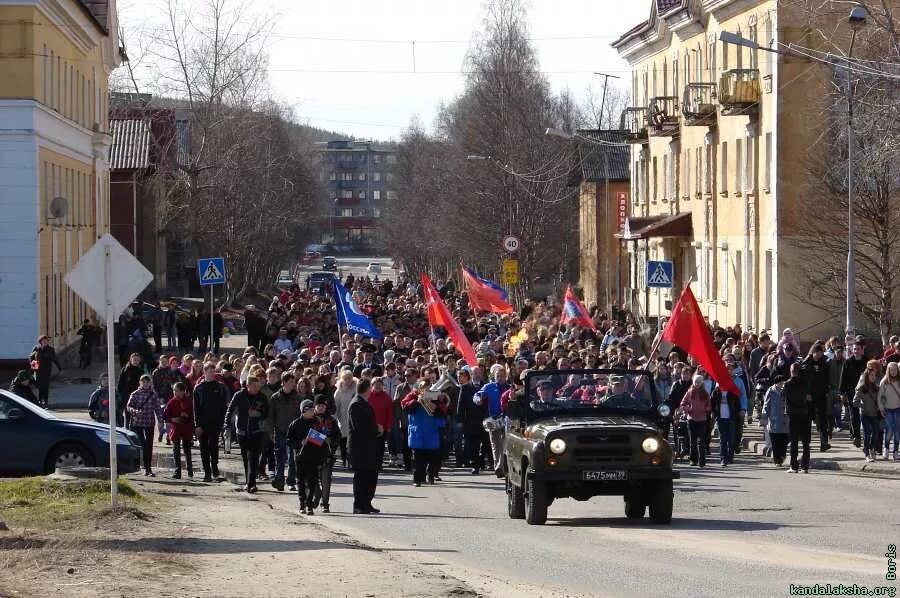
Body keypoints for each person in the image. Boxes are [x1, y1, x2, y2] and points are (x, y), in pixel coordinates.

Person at [225, 375, 270, 493]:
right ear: (248, 386)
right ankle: (248, 481)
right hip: (242, 431)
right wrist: (227, 425)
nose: (257, 388)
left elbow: (266, 413)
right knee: (245, 457)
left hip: (256, 430)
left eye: (258, 386)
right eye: (254, 386)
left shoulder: (262, 397)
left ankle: (251, 483)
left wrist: (258, 414)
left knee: (253, 457)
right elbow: (230, 410)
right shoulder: (239, 395)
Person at [402, 381, 448, 487]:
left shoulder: (434, 396)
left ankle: (430, 476)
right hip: (417, 432)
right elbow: (405, 407)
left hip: (431, 432)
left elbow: (443, 413)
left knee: (432, 457)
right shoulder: (412, 395)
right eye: (423, 387)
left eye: (427, 388)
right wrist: (416, 402)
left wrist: (436, 407)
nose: (425, 390)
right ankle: (417, 479)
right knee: (418, 458)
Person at [193, 361, 231, 482]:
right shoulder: (198, 388)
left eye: (213, 371)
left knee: (214, 448)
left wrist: (224, 422)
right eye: (209, 371)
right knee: (204, 448)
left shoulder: (220, 387)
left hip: (216, 423)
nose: (211, 373)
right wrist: (197, 425)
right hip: (203, 423)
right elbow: (196, 408)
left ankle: (215, 471)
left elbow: (224, 406)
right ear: (204, 372)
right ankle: (207, 473)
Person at [287, 399, 325, 514]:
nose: (312, 412)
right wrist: (300, 443)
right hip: (300, 457)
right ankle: (302, 503)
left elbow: (323, 438)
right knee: (301, 481)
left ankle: (309, 504)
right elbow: (289, 441)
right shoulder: (295, 424)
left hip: (314, 456)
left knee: (313, 481)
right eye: (310, 410)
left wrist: (316, 438)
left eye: (313, 409)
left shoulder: (317, 422)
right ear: (303, 411)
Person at [348, 379, 380, 514]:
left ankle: (367, 503)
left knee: (371, 475)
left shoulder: (364, 403)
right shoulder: (356, 404)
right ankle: (359, 505)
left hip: (369, 447)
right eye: (370, 388)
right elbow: (359, 427)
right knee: (361, 477)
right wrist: (376, 429)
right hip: (360, 448)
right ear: (366, 389)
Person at [127, 375, 163, 477]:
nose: (146, 384)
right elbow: (129, 406)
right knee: (142, 444)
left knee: (149, 446)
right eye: (144, 382)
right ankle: (142, 466)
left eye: (147, 382)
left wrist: (160, 420)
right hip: (138, 423)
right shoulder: (135, 394)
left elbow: (158, 408)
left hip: (149, 423)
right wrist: (135, 411)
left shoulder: (153, 394)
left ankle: (148, 468)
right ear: (140, 382)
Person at [270, 372, 300, 491]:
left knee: (292, 458)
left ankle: (291, 481)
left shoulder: (298, 398)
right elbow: (271, 417)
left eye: (294, 382)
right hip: (280, 431)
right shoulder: (275, 398)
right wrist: (271, 432)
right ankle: (279, 480)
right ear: (284, 382)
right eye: (291, 382)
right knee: (280, 457)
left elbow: (299, 416)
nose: (293, 384)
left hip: (293, 433)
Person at [456, 368, 489, 474]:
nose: (477, 375)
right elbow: (461, 405)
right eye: (475, 373)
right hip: (470, 421)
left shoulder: (486, 386)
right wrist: (460, 420)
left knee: (485, 443)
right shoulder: (465, 387)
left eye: (479, 373)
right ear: (471, 374)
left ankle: (482, 462)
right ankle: (475, 464)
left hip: (484, 419)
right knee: (473, 444)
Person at [312, 395, 341, 513]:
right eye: (318, 405)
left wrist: (331, 445)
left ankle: (325, 503)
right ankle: (316, 495)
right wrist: (321, 439)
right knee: (312, 479)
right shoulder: (310, 418)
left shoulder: (331, 420)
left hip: (327, 455)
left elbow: (337, 436)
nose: (320, 408)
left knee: (326, 481)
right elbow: (307, 435)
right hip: (312, 455)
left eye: (323, 405)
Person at [802, 343, 832, 452]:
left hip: (821, 395)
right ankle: (807, 442)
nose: (819, 355)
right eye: (818, 353)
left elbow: (826, 378)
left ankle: (824, 442)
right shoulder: (806, 364)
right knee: (807, 420)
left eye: (821, 353)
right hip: (809, 396)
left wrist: (827, 390)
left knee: (822, 420)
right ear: (813, 352)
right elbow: (803, 381)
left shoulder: (824, 362)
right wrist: (806, 393)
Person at [783, 363, 812, 473]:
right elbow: (809, 398)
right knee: (805, 442)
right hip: (804, 413)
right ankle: (805, 466)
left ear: (791, 371)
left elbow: (785, 399)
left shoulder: (788, 384)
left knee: (794, 442)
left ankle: (794, 466)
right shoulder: (805, 383)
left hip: (793, 414)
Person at [163, 382, 195, 479]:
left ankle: (190, 471)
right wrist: (172, 419)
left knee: (187, 450)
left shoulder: (189, 401)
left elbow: (194, 415)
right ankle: (178, 471)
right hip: (176, 429)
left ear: (182, 391)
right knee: (176, 450)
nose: (174, 392)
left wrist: (188, 416)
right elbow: (166, 415)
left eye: (176, 390)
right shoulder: (172, 402)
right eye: (174, 390)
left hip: (187, 428)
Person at [679, 374, 710, 467]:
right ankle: (693, 460)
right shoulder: (689, 392)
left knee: (701, 441)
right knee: (692, 440)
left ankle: (702, 460)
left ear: (702, 383)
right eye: (696, 382)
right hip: (691, 419)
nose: (697, 384)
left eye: (699, 382)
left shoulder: (705, 393)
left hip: (702, 419)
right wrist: (688, 409)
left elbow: (709, 405)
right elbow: (682, 404)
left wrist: (706, 409)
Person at [760, 376, 790, 467]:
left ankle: (783, 455)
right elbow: (766, 405)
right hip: (774, 421)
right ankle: (777, 460)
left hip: (784, 421)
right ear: (776, 383)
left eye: (783, 383)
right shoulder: (771, 391)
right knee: (775, 443)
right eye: (780, 383)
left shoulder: (786, 390)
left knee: (784, 441)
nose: (782, 385)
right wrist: (764, 418)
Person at [855, 366, 881, 462]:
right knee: (867, 434)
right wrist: (862, 405)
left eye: (874, 375)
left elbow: (881, 399)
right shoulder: (861, 388)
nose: (874, 377)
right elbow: (855, 402)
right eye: (871, 375)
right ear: (867, 376)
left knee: (876, 432)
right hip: (865, 414)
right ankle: (867, 453)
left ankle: (871, 448)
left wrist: (881, 404)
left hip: (874, 414)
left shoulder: (877, 388)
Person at [368, 377, 394, 470]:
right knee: (370, 446)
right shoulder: (368, 396)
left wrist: (389, 426)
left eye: (380, 384)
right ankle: (370, 463)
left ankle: (379, 464)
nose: (378, 386)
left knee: (380, 446)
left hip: (382, 427)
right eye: (376, 384)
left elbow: (390, 413)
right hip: (370, 426)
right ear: (372, 385)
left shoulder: (387, 397)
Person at [29, 335, 62, 408]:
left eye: (46, 341)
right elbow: (31, 357)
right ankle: (40, 401)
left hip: (46, 370)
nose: (45, 342)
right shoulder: (36, 348)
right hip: (38, 371)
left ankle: (46, 402)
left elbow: (55, 359)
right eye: (44, 341)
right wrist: (33, 366)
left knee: (45, 387)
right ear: (40, 341)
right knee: (39, 386)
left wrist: (59, 367)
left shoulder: (50, 349)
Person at [333, 369, 357, 468]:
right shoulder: (338, 391)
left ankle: (352, 461)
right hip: (342, 420)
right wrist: (337, 419)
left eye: (349, 378)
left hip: (354, 420)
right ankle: (344, 459)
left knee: (353, 442)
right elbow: (336, 407)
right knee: (343, 441)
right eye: (345, 378)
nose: (348, 381)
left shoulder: (356, 389)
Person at [878, 362, 900, 461]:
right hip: (888, 409)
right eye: (891, 369)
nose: (893, 371)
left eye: (895, 369)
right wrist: (881, 408)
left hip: (898, 409)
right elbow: (880, 397)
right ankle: (886, 449)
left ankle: (895, 451)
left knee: (897, 431)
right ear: (888, 370)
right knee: (889, 430)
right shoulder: (884, 382)